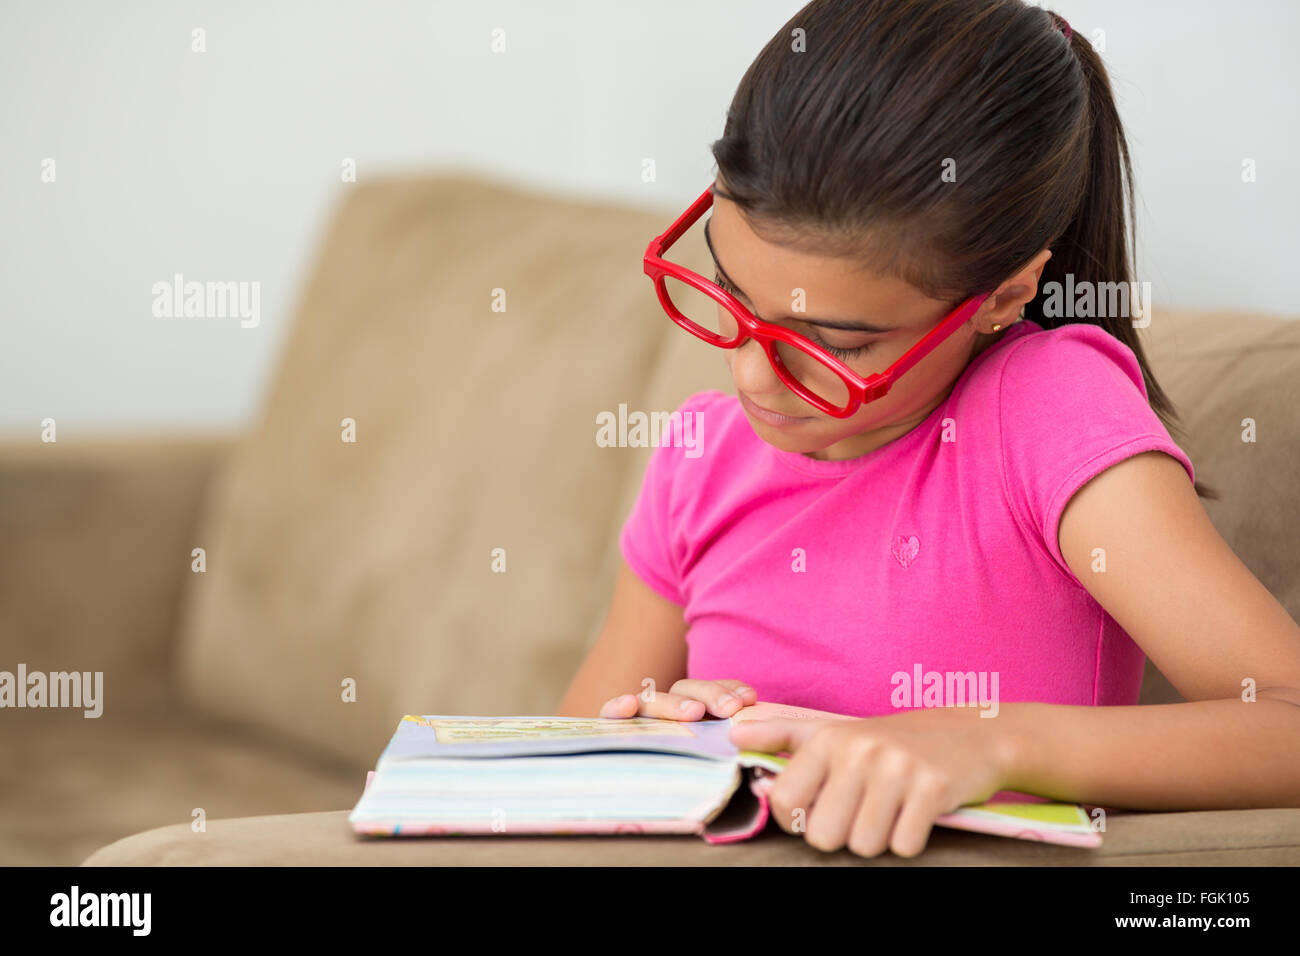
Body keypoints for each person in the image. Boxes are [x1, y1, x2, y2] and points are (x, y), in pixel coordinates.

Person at [557, 0, 1300, 858]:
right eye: (732, 292)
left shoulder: (1047, 414)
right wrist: (653, 742)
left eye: (835, 343)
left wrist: (986, 741)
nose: (754, 375)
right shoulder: (701, 459)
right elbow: (567, 767)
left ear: (1005, 296)